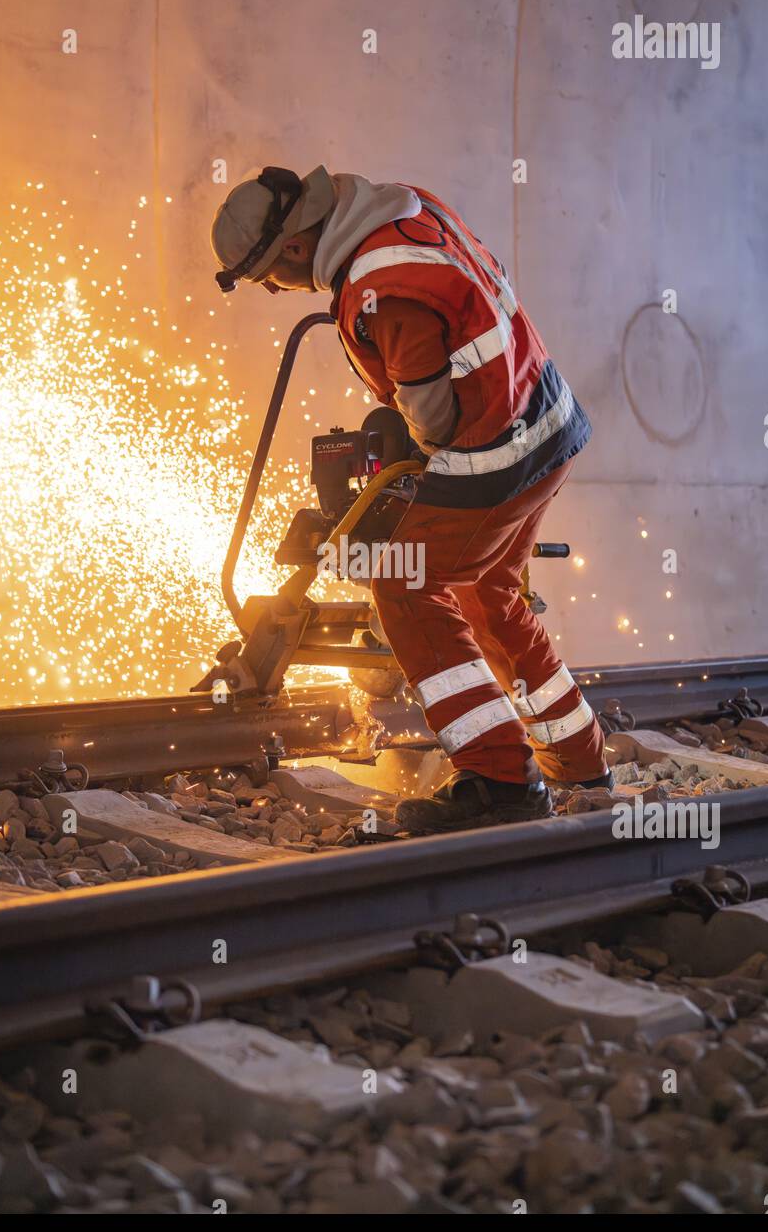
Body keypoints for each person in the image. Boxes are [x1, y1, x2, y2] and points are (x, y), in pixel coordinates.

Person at [211, 166, 610, 832]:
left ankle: (500, 779)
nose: (279, 290)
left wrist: (409, 473)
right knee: (490, 591)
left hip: (498, 451)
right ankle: (578, 758)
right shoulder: (404, 210)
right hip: (549, 423)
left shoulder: (379, 287)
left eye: (269, 279)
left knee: (405, 584)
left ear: (287, 248)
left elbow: (433, 419)